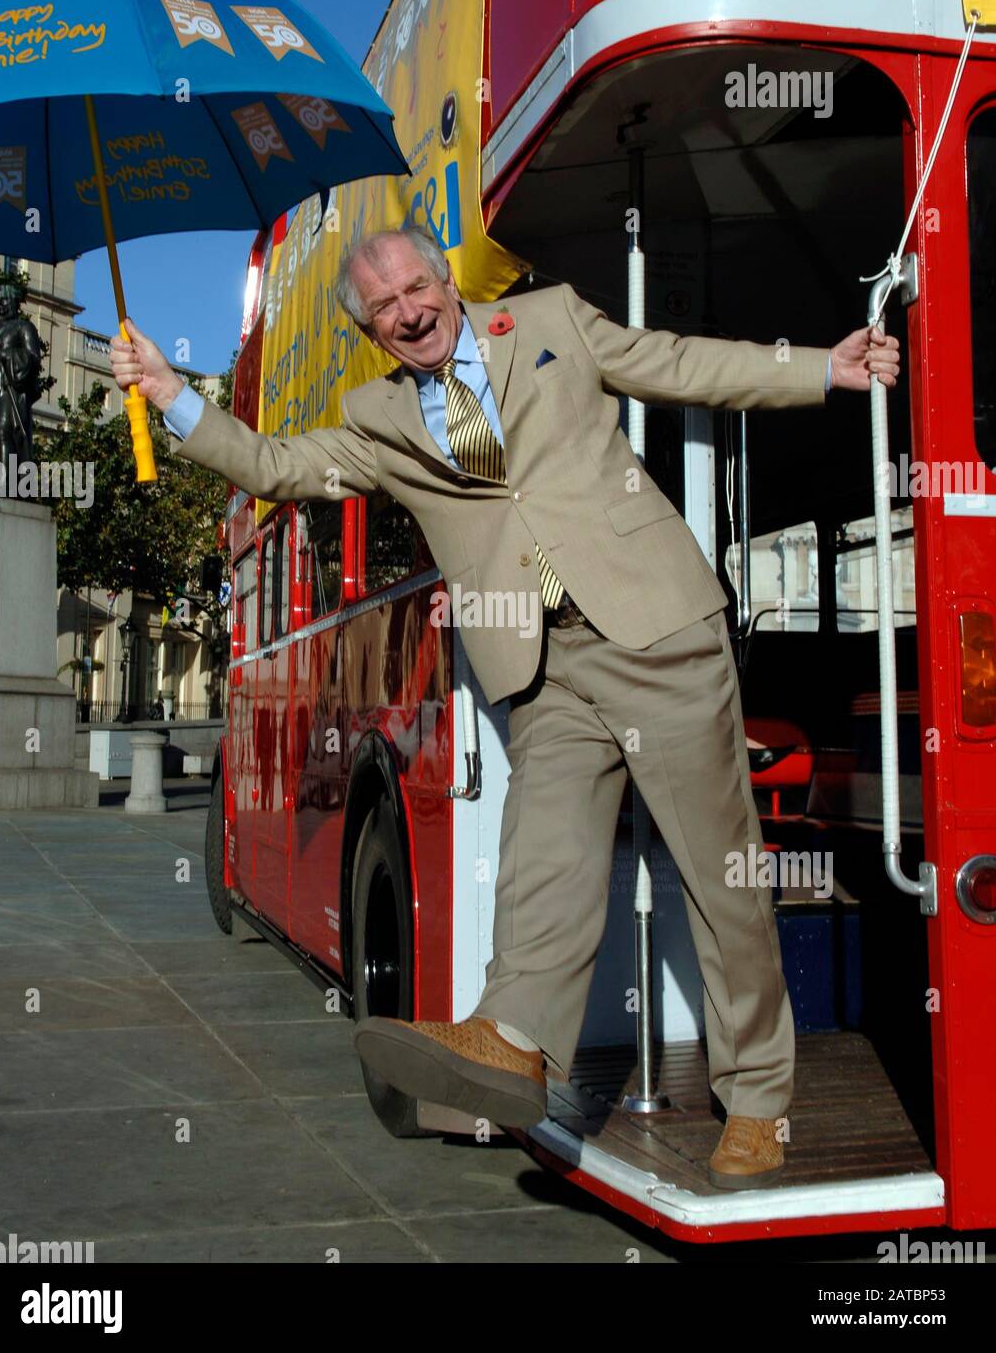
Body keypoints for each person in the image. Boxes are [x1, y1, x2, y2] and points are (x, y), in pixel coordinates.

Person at [109, 226, 899, 1187]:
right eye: (384, 309)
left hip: (657, 629)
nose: (408, 311)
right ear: (371, 332)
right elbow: (277, 465)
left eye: (413, 287)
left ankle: (759, 1102)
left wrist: (822, 368)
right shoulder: (377, 417)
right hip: (540, 662)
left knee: (716, 876)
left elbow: (679, 363)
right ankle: (516, 1037)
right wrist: (169, 393)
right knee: (543, 859)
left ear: (444, 279)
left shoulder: (552, 318)